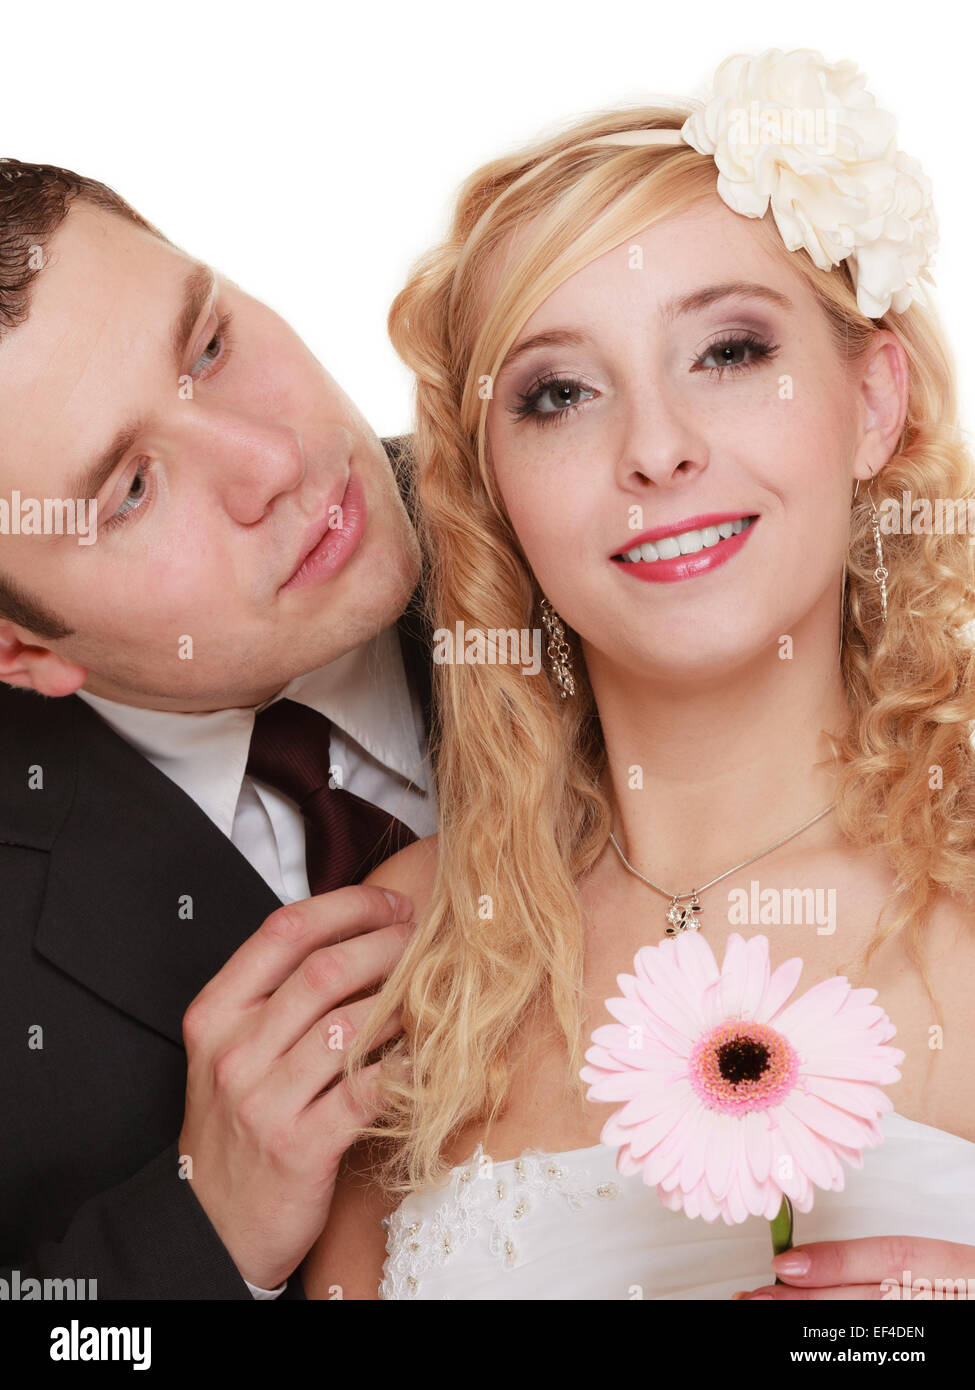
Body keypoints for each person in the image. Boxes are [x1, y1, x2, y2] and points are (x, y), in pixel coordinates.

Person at [303, 48, 975, 1300]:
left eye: (727, 350)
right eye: (559, 393)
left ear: (874, 399)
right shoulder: (414, 944)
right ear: (491, 491)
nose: (657, 449)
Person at [0, 159, 436, 1298]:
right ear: (22, 651)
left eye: (209, 346)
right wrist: (203, 1235)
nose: (275, 461)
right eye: (132, 491)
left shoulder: (612, 520)